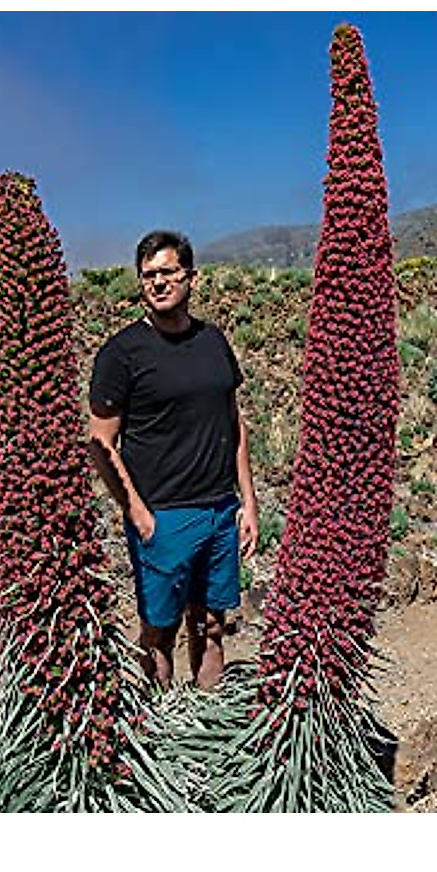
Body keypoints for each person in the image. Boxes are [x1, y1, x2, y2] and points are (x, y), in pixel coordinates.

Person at [88, 229, 259, 690]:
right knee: (159, 631)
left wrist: (247, 502)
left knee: (213, 623)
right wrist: (139, 515)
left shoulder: (213, 342)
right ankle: (160, 722)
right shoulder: (122, 354)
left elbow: (233, 422)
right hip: (163, 515)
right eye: (148, 276)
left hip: (220, 509)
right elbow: (100, 443)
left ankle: (209, 721)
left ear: (190, 277)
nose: (157, 283)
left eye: (167, 273)